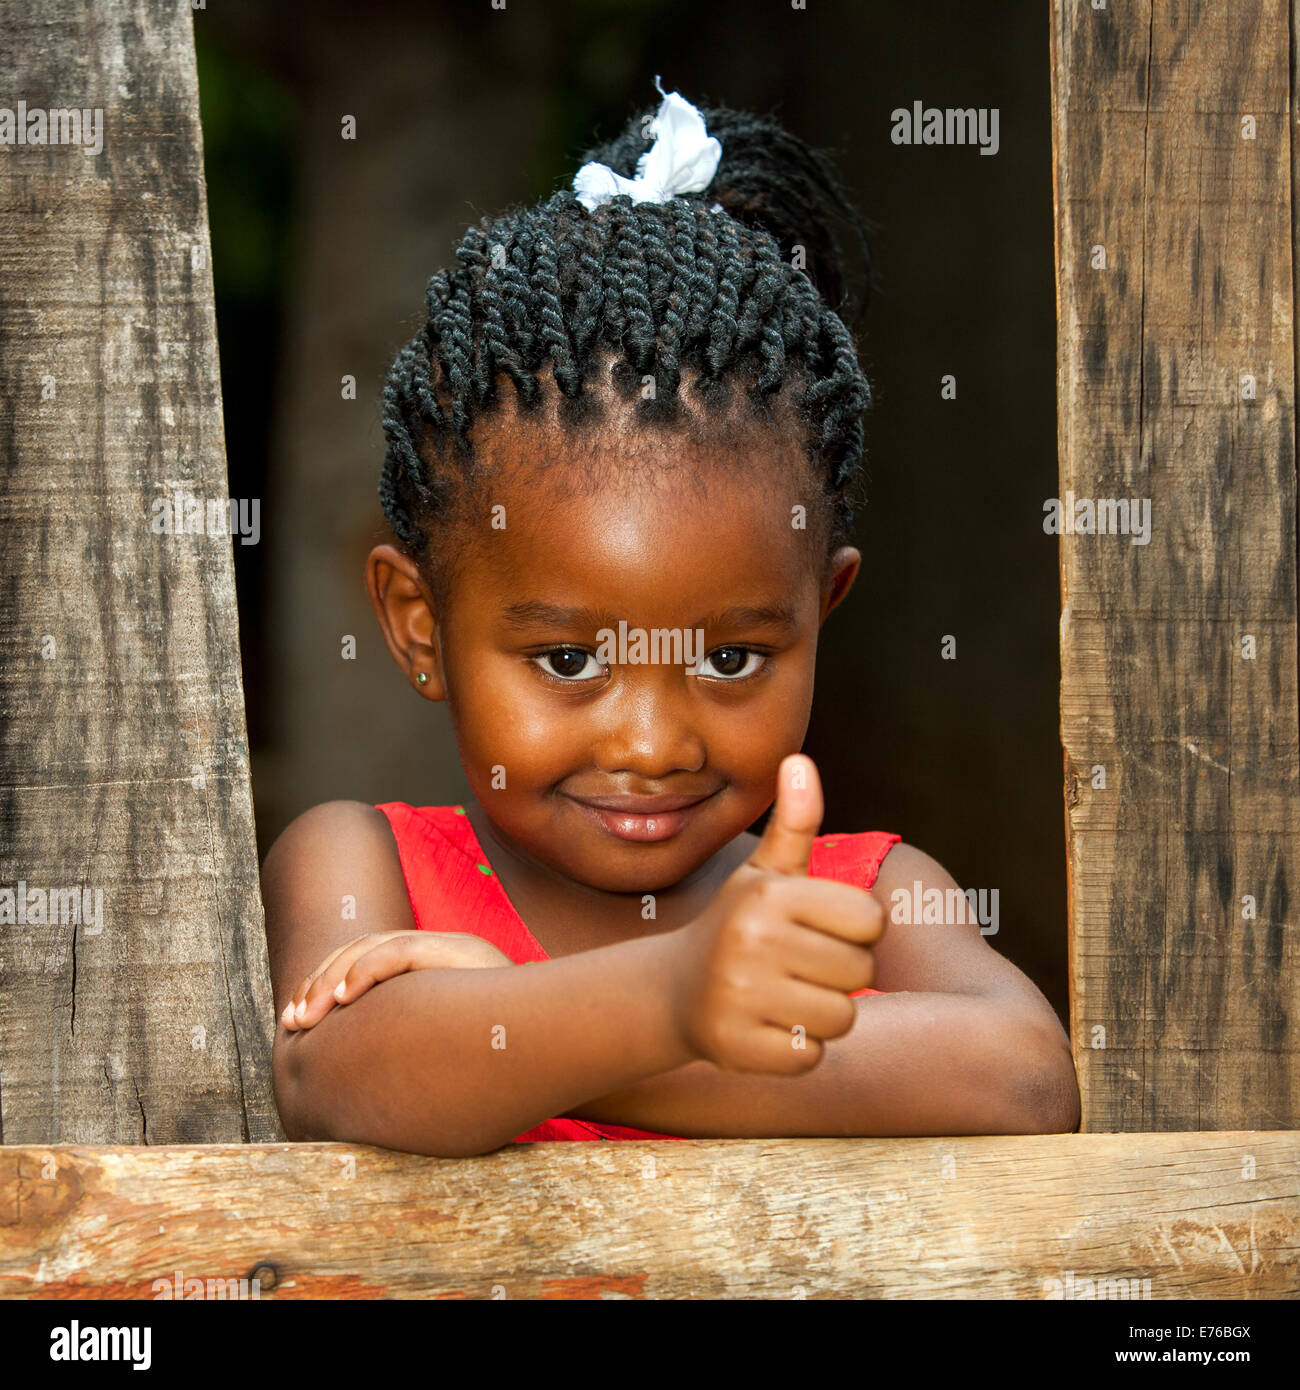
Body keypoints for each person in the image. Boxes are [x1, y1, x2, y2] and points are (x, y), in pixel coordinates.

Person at [263, 79, 1080, 1157]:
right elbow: (346, 1068)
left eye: (733, 656)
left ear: (823, 611)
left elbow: (1021, 1077)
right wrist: (673, 1003)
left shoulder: (866, 896)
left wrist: (564, 1023)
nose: (652, 743)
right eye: (565, 659)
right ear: (419, 624)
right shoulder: (360, 862)